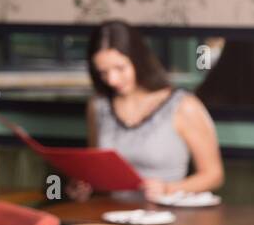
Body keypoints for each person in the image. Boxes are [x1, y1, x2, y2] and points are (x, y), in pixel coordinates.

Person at [76, 20, 223, 201]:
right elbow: (97, 169)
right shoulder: (98, 106)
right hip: (112, 216)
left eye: (120, 68)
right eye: (102, 72)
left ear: (137, 59)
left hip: (167, 217)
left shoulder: (183, 106)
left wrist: (169, 188)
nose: (112, 80)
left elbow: (214, 175)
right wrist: (86, 186)